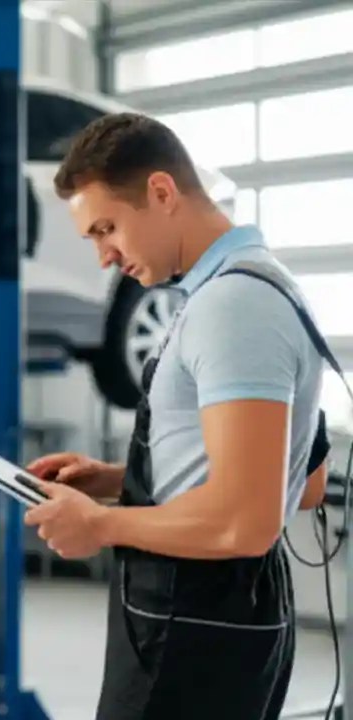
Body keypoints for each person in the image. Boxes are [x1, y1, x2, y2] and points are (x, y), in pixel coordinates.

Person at [23, 112, 332, 719]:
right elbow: (304, 482)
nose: (104, 257)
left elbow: (246, 520)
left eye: (107, 228)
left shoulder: (234, 306)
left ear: (162, 193)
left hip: (192, 630)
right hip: (218, 620)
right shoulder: (256, 285)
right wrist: (117, 479)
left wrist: (100, 525)